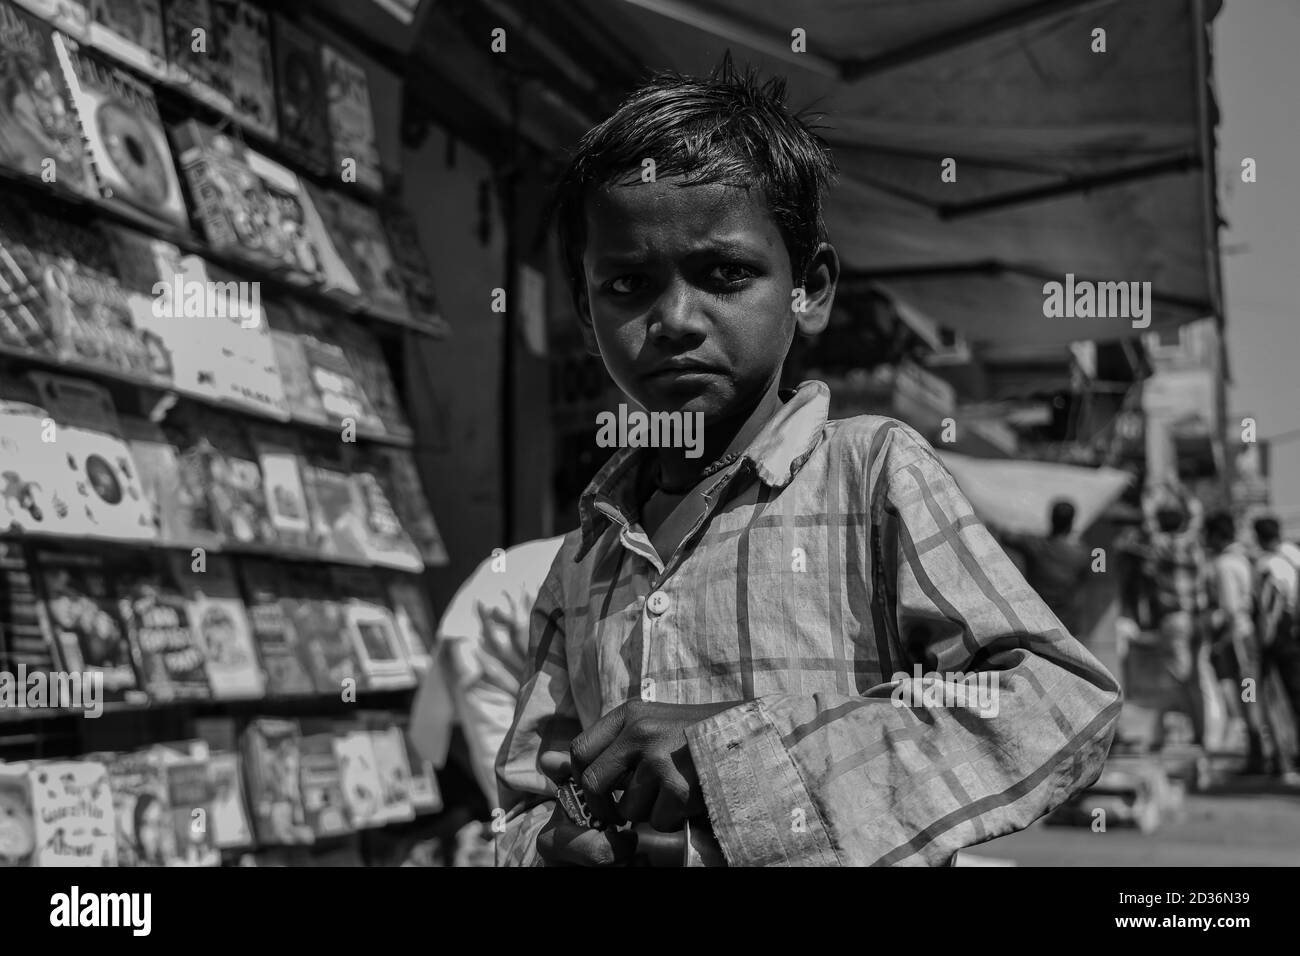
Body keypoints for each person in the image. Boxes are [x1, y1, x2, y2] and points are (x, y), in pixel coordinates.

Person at [494, 60, 1121, 867]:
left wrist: (734, 760)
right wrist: (548, 847)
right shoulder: (583, 558)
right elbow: (522, 800)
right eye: (627, 284)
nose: (675, 319)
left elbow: (1058, 702)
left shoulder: (872, 474)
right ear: (587, 315)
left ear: (810, 290)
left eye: (726, 274)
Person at [1204, 511, 1268, 771]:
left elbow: (1231, 609)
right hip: (1250, 633)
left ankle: (1258, 753)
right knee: (1251, 693)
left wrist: (1220, 642)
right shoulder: (1245, 557)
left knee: (1248, 693)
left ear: (1217, 535)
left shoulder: (1224, 564)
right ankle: (1260, 750)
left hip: (1239, 637)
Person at [996, 499, 1091, 637]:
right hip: (1067, 626)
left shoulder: (1035, 545)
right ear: (1071, 524)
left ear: (1051, 519)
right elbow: (1090, 575)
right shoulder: (1082, 554)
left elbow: (1005, 536)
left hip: (1036, 621)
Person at [1252, 516, 1300, 781]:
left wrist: (1264, 641)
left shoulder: (1268, 564)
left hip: (1277, 638)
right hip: (1294, 634)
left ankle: (1283, 761)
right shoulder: (1294, 555)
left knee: (1273, 698)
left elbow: (1271, 605)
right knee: (1295, 696)